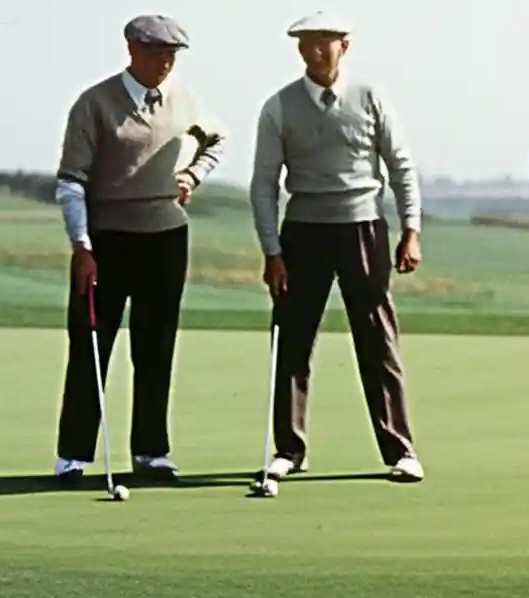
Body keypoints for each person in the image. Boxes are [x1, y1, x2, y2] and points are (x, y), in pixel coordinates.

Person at [249, 11, 425, 491]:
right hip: (303, 231)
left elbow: (400, 166)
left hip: (363, 227)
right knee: (292, 339)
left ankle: (400, 449)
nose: (314, 51)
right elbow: (264, 184)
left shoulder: (371, 97)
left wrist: (411, 228)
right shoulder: (279, 107)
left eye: (324, 42)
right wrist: (272, 249)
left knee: (377, 340)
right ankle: (288, 449)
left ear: (344, 46)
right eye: (306, 43)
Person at [53, 14, 227, 483]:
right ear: (131, 49)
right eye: (155, 52)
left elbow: (216, 140)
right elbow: (70, 183)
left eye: (172, 54)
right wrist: (82, 246)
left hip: (166, 237)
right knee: (91, 345)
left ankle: (152, 451)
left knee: (156, 347)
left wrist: (192, 174)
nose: (165, 62)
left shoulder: (186, 99)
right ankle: (74, 455)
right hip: (106, 240)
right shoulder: (95, 104)